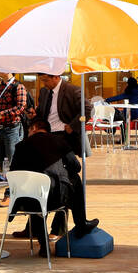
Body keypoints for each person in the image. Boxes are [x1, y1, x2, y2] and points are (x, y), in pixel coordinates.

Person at [10, 118, 100, 253]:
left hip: (29, 201)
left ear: (34, 128)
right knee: (75, 178)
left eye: (28, 130)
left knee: (35, 191)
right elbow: (76, 166)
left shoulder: (21, 146)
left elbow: (13, 173)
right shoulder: (60, 141)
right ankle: (81, 223)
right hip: (59, 197)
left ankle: (44, 244)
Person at [35, 72, 85, 235]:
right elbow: (41, 113)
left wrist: (73, 125)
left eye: (46, 80)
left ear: (56, 77)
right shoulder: (44, 92)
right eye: (42, 80)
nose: (44, 84)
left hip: (64, 138)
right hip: (46, 137)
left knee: (65, 180)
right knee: (41, 178)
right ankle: (34, 228)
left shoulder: (72, 90)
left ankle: (58, 227)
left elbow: (88, 109)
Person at [0, 71, 29, 205]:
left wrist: (1, 114)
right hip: (0, 128)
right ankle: (16, 189)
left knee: (13, 162)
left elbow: (21, 107)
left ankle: (10, 193)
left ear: (10, 70)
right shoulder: (0, 87)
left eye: (1, 68)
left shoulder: (18, 86)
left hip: (13, 128)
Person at [105, 75, 138, 140]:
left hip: (134, 114)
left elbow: (119, 97)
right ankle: (117, 133)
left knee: (118, 117)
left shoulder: (130, 91)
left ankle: (114, 130)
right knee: (120, 117)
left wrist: (107, 100)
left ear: (129, 84)